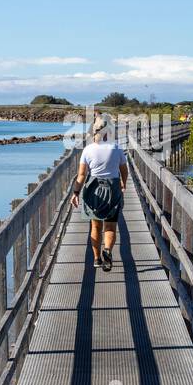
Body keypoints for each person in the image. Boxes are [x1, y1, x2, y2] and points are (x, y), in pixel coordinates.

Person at [70, 115, 128, 271]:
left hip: (93, 190)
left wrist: (75, 193)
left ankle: (96, 258)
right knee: (110, 227)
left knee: (95, 227)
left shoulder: (88, 150)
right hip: (112, 189)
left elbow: (81, 176)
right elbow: (124, 170)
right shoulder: (116, 148)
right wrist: (123, 185)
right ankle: (107, 249)